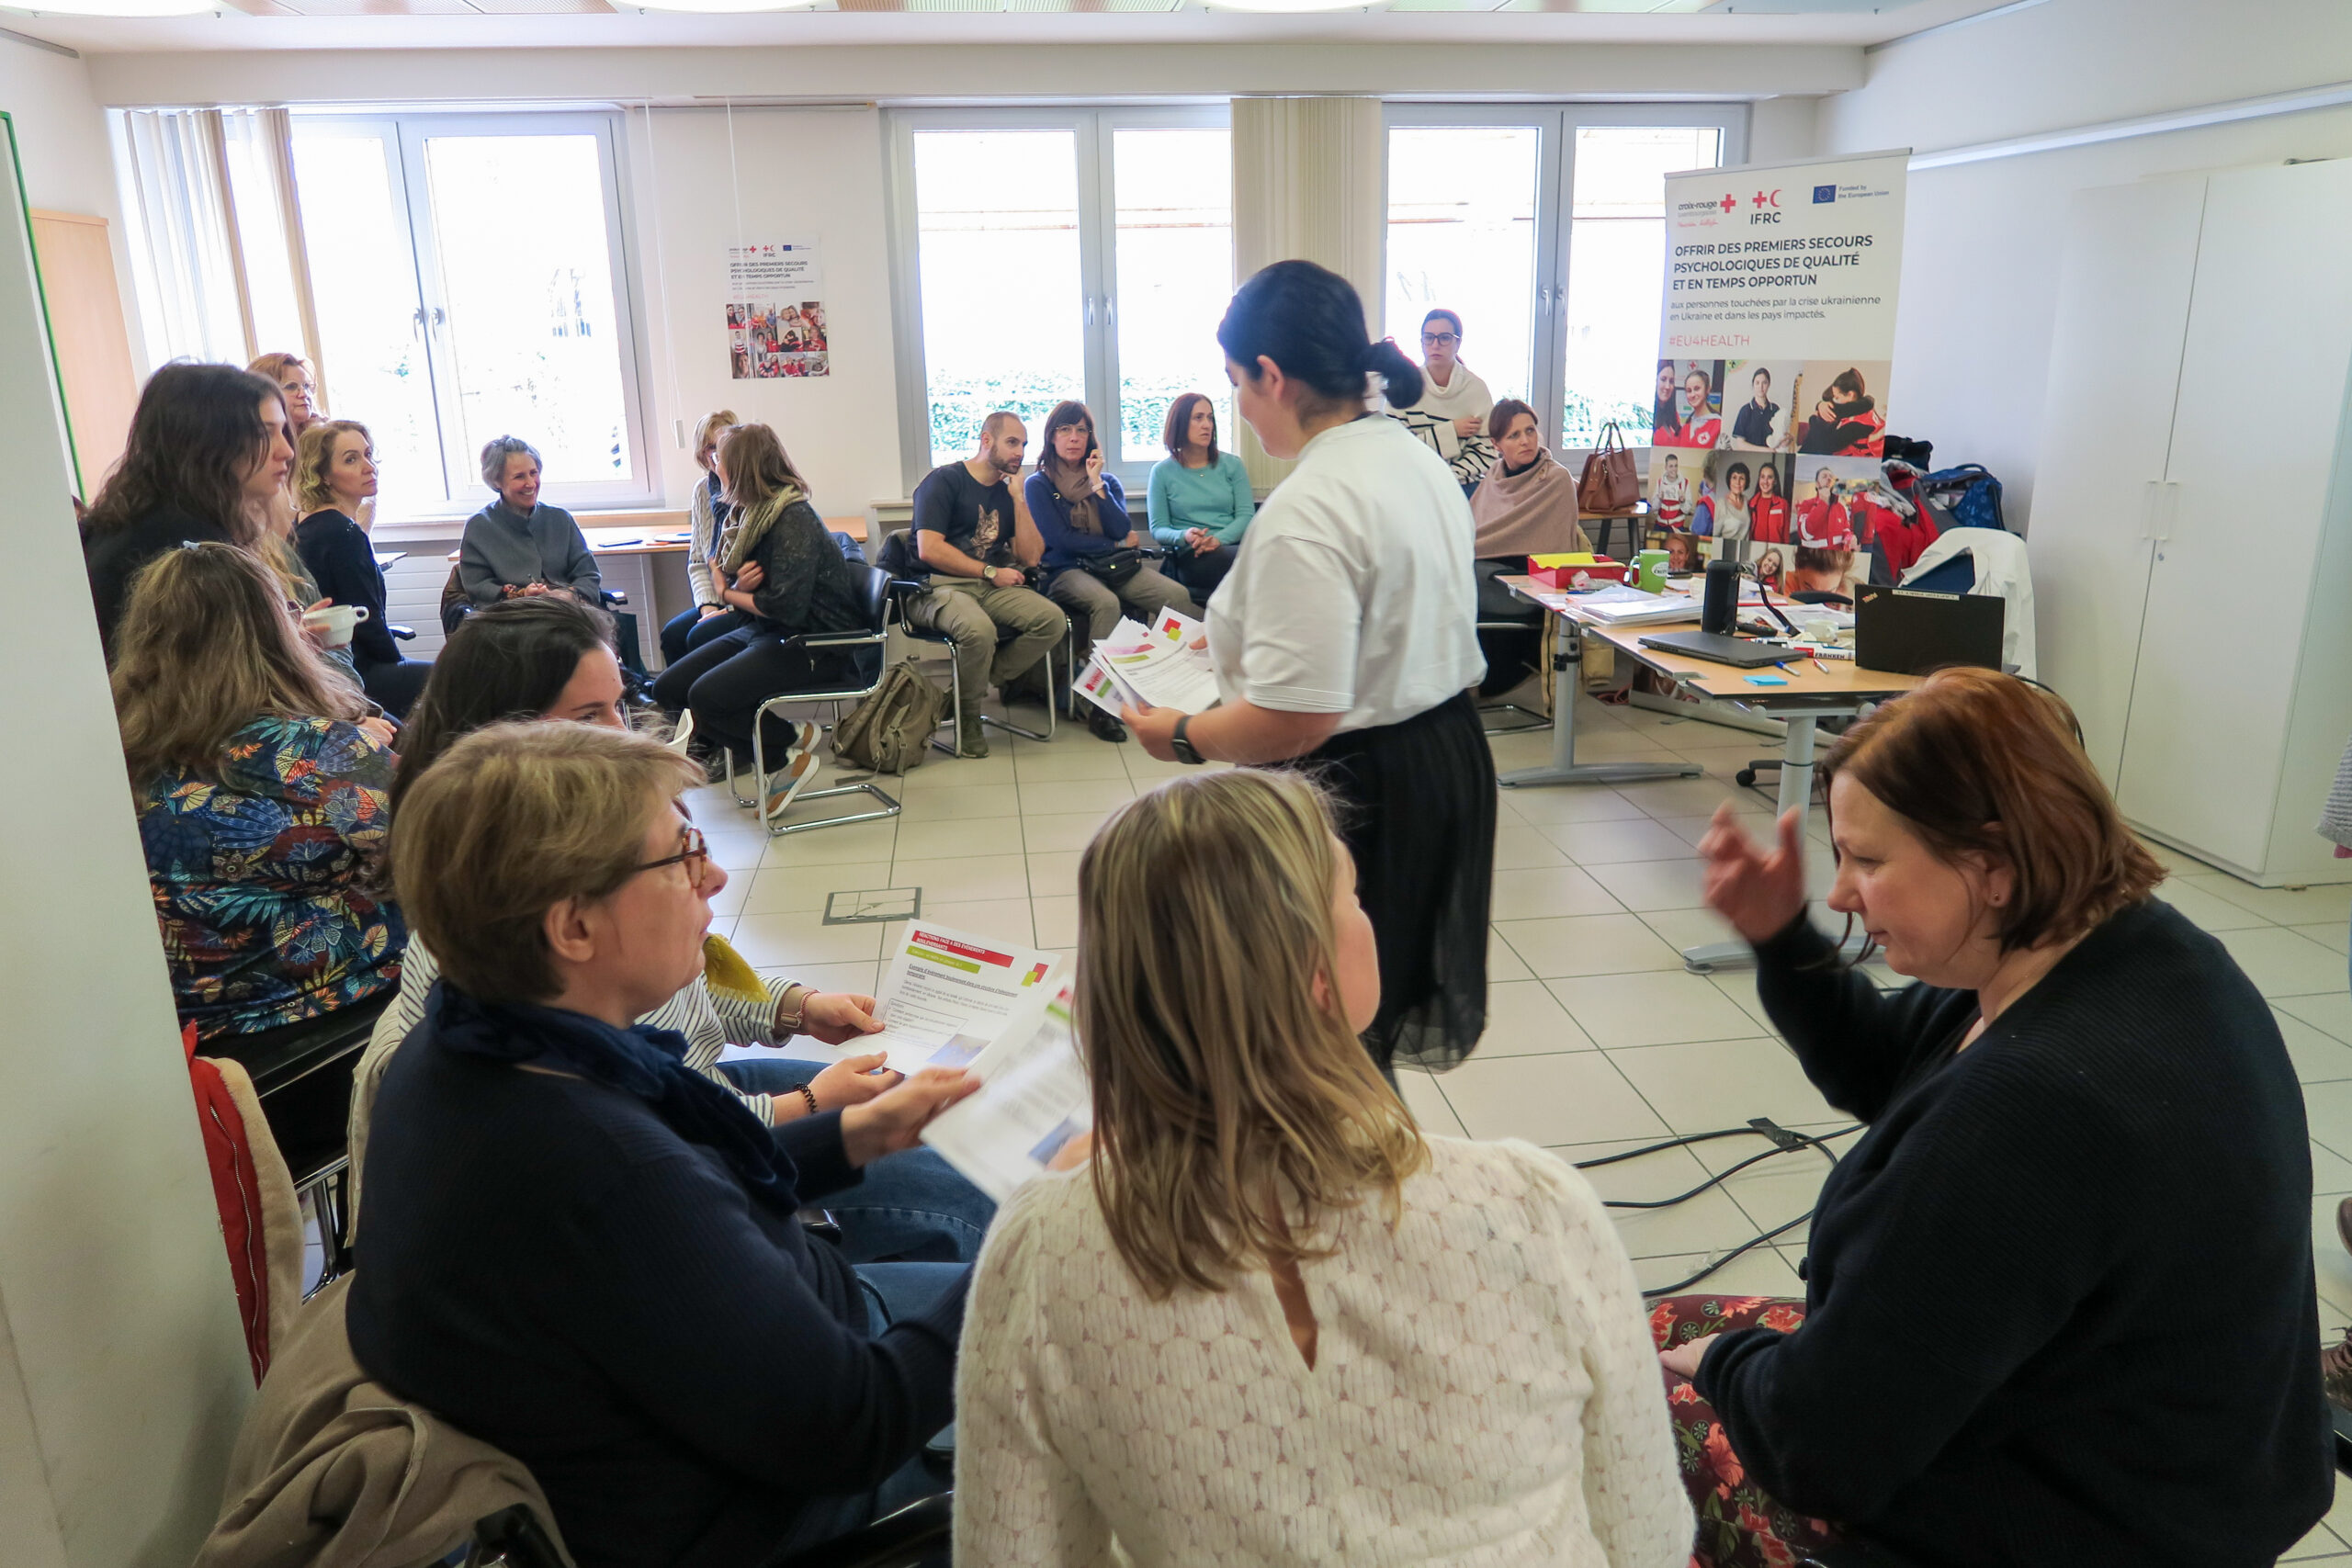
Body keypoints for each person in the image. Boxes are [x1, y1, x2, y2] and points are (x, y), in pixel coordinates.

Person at [1659, 669, 2329, 1568]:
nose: (1842, 895)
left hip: (2072, 1526)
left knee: (1617, 1383)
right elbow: (1889, 1062)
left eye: (1867, 860)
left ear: (1992, 867)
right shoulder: (2124, 953)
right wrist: (1781, 938)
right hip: (2162, 1466)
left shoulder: (2035, 1111)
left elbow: (1820, 1453)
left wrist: (1721, 1365)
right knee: (1662, 1328)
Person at [956, 769, 1691, 1566]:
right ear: (1313, 972)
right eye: (1354, 896)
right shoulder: (1530, 1211)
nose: (1369, 917)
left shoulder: (1044, 1256)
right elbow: (1645, 1533)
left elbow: (1016, 1552)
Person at [348, 721, 978, 1568]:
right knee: (1068, 1320)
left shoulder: (467, 1043)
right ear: (573, 927)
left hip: (698, 1402)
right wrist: (1025, 1258)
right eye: (682, 855)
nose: (714, 874)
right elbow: (852, 1427)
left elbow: (687, 1181)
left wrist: (847, 1136)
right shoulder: (598, 1169)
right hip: (742, 1507)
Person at [351, 594, 996, 1265]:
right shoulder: (515, 997)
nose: (622, 732)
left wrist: (790, 1005)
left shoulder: (563, 894)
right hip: (685, 1130)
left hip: (694, 1094)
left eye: (619, 706)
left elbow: (684, 988)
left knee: (950, 1149)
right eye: (588, 716)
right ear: (502, 739)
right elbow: (657, 1141)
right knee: (970, 1213)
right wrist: (807, 1106)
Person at [1125, 259, 1494, 1076]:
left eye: (1237, 384)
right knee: (1370, 1019)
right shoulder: (1414, 462)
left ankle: (1357, 1191)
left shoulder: (1311, 505)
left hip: (1360, 786)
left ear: (1273, 376)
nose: (1238, 410)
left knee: (1327, 1047)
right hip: (1445, 753)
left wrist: (1181, 735)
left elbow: (1299, 714)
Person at [112, 541, 402, 1042]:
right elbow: (437, 854)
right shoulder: (320, 750)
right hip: (334, 1013)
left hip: (179, 1033)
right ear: (275, 635)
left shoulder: (115, 751)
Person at [651, 423, 870, 818]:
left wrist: (726, 591)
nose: (714, 465)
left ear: (742, 467)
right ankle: (788, 739)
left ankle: (782, 759)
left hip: (813, 643)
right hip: (766, 629)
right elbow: (739, 571)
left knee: (706, 697)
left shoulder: (792, 517)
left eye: (721, 459)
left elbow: (785, 607)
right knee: (669, 689)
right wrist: (733, 585)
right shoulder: (751, 512)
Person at [82, 362, 292, 660]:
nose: (287, 451)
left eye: (283, 431)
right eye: (264, 434)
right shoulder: (187, 545)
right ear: (208, 441)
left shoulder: (140, 521)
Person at [1024, 400, 1198, 746]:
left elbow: (1120, 526)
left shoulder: (1107, 482)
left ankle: (1165, 688)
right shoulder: (1038, 484)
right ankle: (1099, 707)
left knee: (1176, 596)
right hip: (1065, 570)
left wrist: (1096, 485)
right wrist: (1115, 544)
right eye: (1065, 430)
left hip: (1115, 568)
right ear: (1052, 437)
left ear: (1090, 437)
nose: (1074, 437)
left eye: (1081, 430)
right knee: (1105, 603)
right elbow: (1060, 541)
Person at [899, 412, 1066, 759]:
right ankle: (969, 715)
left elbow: (1031, 557)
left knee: (1051, 620)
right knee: (979, 631)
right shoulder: (944, 481)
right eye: (1012, 442)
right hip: (935, 588)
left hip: (985, 587)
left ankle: (961, 694)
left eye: (1023, 444)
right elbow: (929, 548)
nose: (1020, 452)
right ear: (986, 440)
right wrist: (990, 571)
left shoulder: (1007, 494)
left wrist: (1020, 499)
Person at [292, 420, 432, 718]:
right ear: (323, 475)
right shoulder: (343, 533)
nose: (369, 466)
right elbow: (369, 624)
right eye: (351, 459)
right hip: (354, 670)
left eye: (367, 454)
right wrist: (399, 663)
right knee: (455, 679)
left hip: (323, 668)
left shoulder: (304, 523)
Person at [1467, 399, 1589, 698]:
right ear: (1496, 444)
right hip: (1488, 577)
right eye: (1514, 435)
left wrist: (1469, 550)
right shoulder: (1494, 476)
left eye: (1530, 431)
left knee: (1452, 578)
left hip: (1529, 587)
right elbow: (1472, 530)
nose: (1525, 441)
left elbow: (1555, 552)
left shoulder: (1556, 479)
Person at [457, 435, 601, 613]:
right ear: (496, 481)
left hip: (568, 612)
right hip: (510, 618)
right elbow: (478, 586)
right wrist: (522, 594)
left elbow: (588, 575)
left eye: (534, 473)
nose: (531, 484)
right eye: (519, 477)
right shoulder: (479, 525)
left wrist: (568, 595)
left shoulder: (560, 518)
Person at [660, 408, 752, 666]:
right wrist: (707, 606)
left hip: (745, 601)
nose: (714, 455)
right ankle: (685, 706)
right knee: (673, 635)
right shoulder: (703, 490)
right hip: (715, 598)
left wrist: (727, 605)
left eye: (719, 446)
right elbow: (699, 561)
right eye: (708, 448)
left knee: (699, 637)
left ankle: (713, 703)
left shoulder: (750, 488)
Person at [1145, 391, 1253, 602]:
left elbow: (1246, 516)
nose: (1207, 425)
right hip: (1191, 554)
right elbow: (1158, 528)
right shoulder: (1162, 472)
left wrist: (1218, 540)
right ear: (1180, 424)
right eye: (1198, 418)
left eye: (1210, 418)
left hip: (1230, 548)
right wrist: (1184, 535)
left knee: (1264, 557)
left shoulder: (1233, 465)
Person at [1389, 308, 1497, 491]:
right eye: (1429, 337)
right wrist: (1451, 431)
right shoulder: (1403, 387)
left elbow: (1488, 453)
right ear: (1422, 342)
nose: (1435, 345)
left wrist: (1446, 480)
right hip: (1412, 483)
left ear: (1458, 343)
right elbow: (1396, 451)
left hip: (1463, 485)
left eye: (1445, 337)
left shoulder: (1476, 389)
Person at [1797, 367, 1885, 456]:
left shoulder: (1857, 425)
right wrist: (1821, 405)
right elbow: (1826, 396)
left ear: (1850, 395)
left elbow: (1825, 446)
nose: (1834, 401)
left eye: (1837, 398)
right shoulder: (1861, 407)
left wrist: (1813, 418)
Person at [1794, 467, 1857, 550]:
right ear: (1817, 484)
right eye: (1824, 476)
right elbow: (1805, 534)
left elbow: (1846, 529)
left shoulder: (1840, 507)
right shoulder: (1806, 504)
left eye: (1831, 477)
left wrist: (1850, 538)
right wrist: (1823, 503)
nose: (1829, 479)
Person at [1662, 365, 1721, 448]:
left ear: (1708, 389)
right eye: (1689, 391)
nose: (1692, 395)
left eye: (1697, 389)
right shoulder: (1685, 427)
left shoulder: (1718, 425)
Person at [1729, 365, 1779, 449]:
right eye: (1757, 383)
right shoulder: (1745, 410)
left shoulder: (1775, 409)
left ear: (1769, 385)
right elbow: (1740, 444)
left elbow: (1780, 436)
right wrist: (1764, 450)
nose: (1761, 387)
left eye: (1764, 383)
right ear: (1753, 385)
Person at [1749, 459, 1790, 545]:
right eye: (1762, 477)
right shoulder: (1750, 504)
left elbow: (1786, 536)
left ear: (1775, 481)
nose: (1765, 481)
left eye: (1770, 477)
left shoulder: (1783, 504)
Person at [1716, 460, 1754, 543]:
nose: (1738, 482)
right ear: (1729, 480)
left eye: (1742, 478)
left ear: (1746, 482)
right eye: (1734, 477)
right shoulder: (1721, 504)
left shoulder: (1746, 501)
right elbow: (1715, 535)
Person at [1650, 451, 1689, 529]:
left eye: (1676, 466)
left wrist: (1683, 502)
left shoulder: (1685, 483)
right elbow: (1653, 507)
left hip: (1677, 525)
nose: (1674, 469)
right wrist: (1659, 499)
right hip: (1660, 524)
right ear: (1666, 467)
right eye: (1671, 466)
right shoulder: (1660, 482)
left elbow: (1687, 510)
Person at [1650, 358, 1681, 442]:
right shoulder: (1645, 415)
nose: (1667, 386)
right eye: (1663, 379)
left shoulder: (1675, 416)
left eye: (1671, 381)